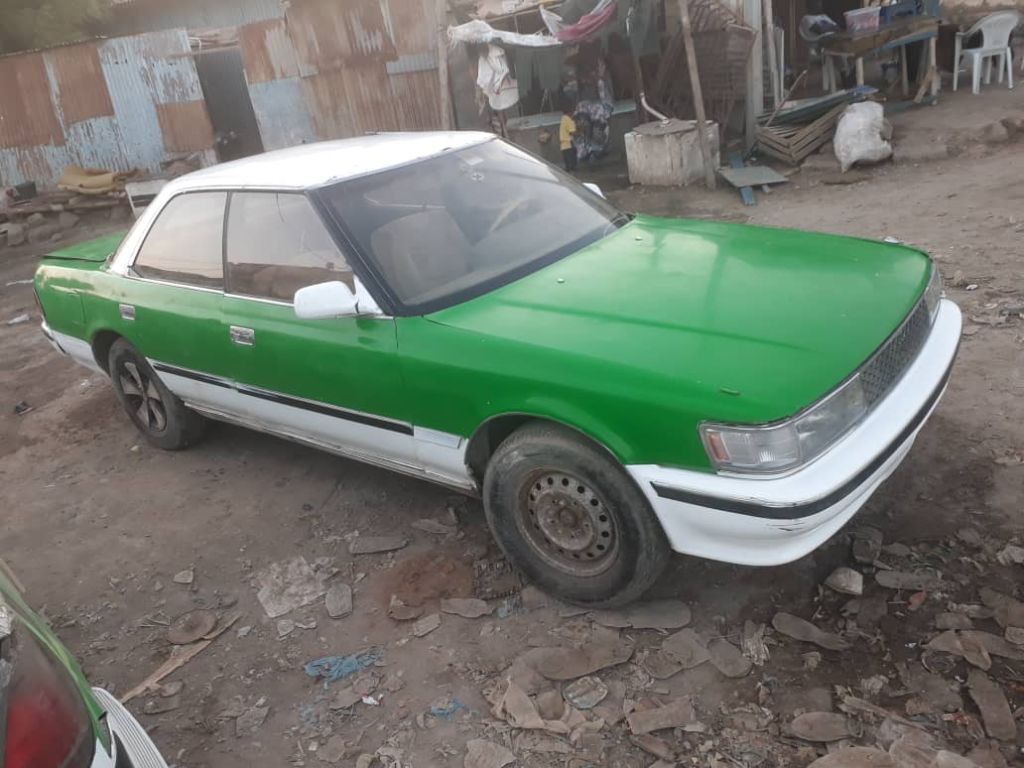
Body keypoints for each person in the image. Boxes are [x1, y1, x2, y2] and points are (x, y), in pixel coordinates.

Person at [559, 102, 578, 172]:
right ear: (570, 112)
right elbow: (572, 132)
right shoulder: (569, 120)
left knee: (567, 165)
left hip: (563, 145)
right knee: (573, 163)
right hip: (569, 144)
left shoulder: (563, 118)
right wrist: (581, 131)